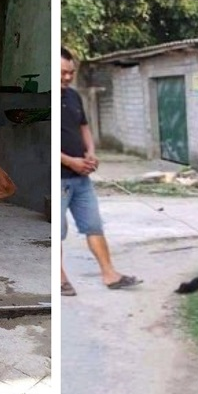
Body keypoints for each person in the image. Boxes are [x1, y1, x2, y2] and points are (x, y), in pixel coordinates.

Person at [60, 47, 141, 296]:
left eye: (70, 72)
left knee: (94, 226)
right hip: (60, 179)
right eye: (62, 73)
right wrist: (70, 161)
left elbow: (84, 127)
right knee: (58, 234)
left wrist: (91, 153)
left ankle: (110, 274)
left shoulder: (74, 97)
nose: (67, 77)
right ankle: (60, 280)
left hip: (81, 179)